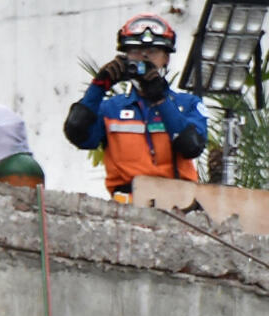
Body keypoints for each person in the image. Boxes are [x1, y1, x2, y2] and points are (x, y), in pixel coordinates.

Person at [63, 13, 208, 199]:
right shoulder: (110, 109)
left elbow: (191, 147)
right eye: (136, 51)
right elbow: (79, 135)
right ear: (125, 56)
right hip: (126, 207)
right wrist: (98, 87)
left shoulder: (188, 104)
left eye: (153, 51)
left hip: (178, 206)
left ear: (166, 59)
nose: (144, 58)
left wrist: (160, 98)